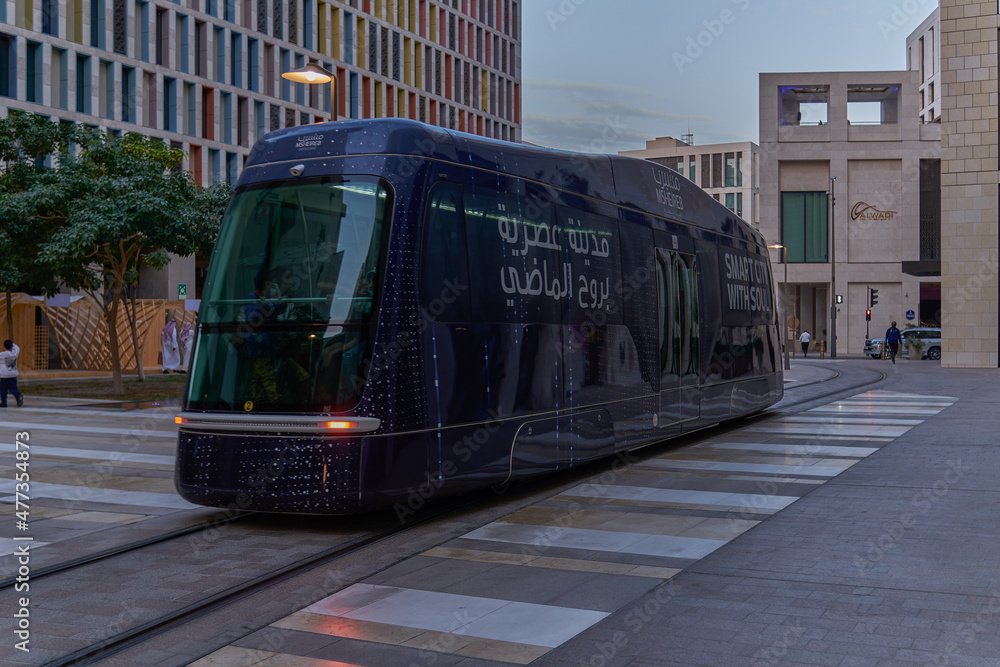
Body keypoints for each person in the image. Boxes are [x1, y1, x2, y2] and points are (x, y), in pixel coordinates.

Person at [0, 339, 24, 408]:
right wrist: (12, 344)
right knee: (13, 387)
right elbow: (17, 348)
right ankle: (18, 395)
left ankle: (4, 403)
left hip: (4, 375)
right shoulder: (15, 353)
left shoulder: (2, 355)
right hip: (13, 373)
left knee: (3, 389)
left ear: (4, 347)